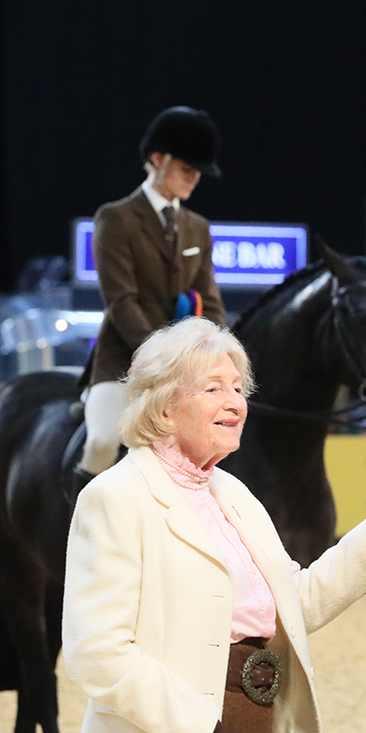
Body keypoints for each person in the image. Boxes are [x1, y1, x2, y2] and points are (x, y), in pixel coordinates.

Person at [62, 317, 366, 733]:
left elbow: (296, 601)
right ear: (165, 409)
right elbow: (98, 653)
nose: (235, 403)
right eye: (214, 389)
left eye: (237, 389)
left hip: (249, 727)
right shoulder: (114, 497)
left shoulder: (234, 494)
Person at [72, 106, 227, 496]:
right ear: (157, 160)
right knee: (102, 442)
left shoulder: (197, 228)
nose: (194, 177)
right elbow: (121, 302)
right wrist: (164, 359)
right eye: (185, 167)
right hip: (121, 362)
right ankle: (78, 532)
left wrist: (222, 355)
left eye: (197, 170)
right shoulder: (116, 219)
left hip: (185, 371)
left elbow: (209, 300)